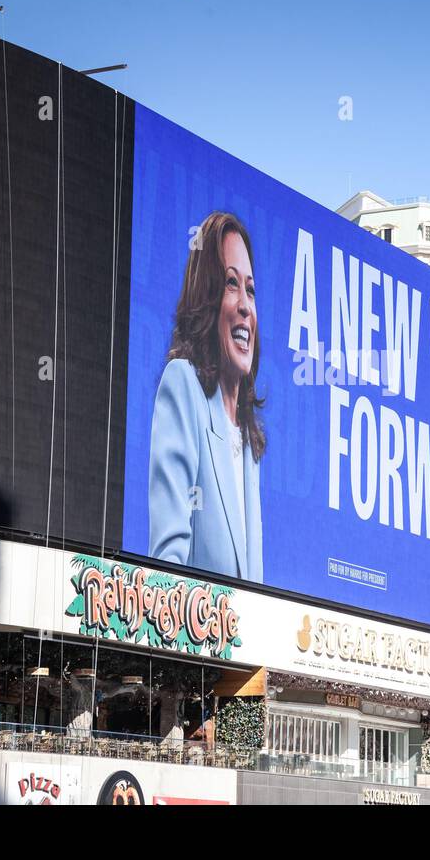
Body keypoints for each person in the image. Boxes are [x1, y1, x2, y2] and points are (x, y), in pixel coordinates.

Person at [148, 211, 264, 583]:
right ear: (207, 298)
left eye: (251, 288)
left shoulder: (248, 439)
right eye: (231, 284)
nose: (246, 304)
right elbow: (168, 561)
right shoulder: (182, 385)